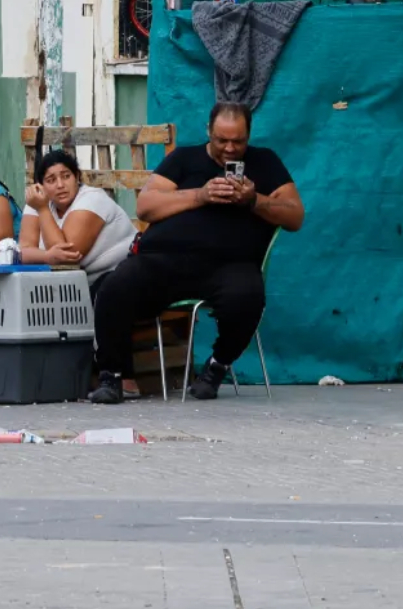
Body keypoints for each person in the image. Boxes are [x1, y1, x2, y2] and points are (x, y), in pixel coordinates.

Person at [88, 102, 304, 404]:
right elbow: (146, 206)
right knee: (115, 286)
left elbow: (295, 216)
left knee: (248, 296)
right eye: (221, 140)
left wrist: (254, 200)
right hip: (165, 261)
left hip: (230, 265)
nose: (230, 148)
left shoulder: (265, 162)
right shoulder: (184, 159)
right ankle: (112, 376)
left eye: (238, 141)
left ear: (249, 136)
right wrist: (200, 195)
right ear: (208, 132)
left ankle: (215, 368)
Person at [18, 150, 137, 286]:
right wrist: (47, 256)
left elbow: (66, 259)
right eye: (51, 180)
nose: (60, 185)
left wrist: (43, 210)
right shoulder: (37, 202)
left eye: (66, 176)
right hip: (78, 287)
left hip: (121, 279)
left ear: (77, 177)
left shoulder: (92, 199)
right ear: (41, 186)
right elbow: (23, 252)